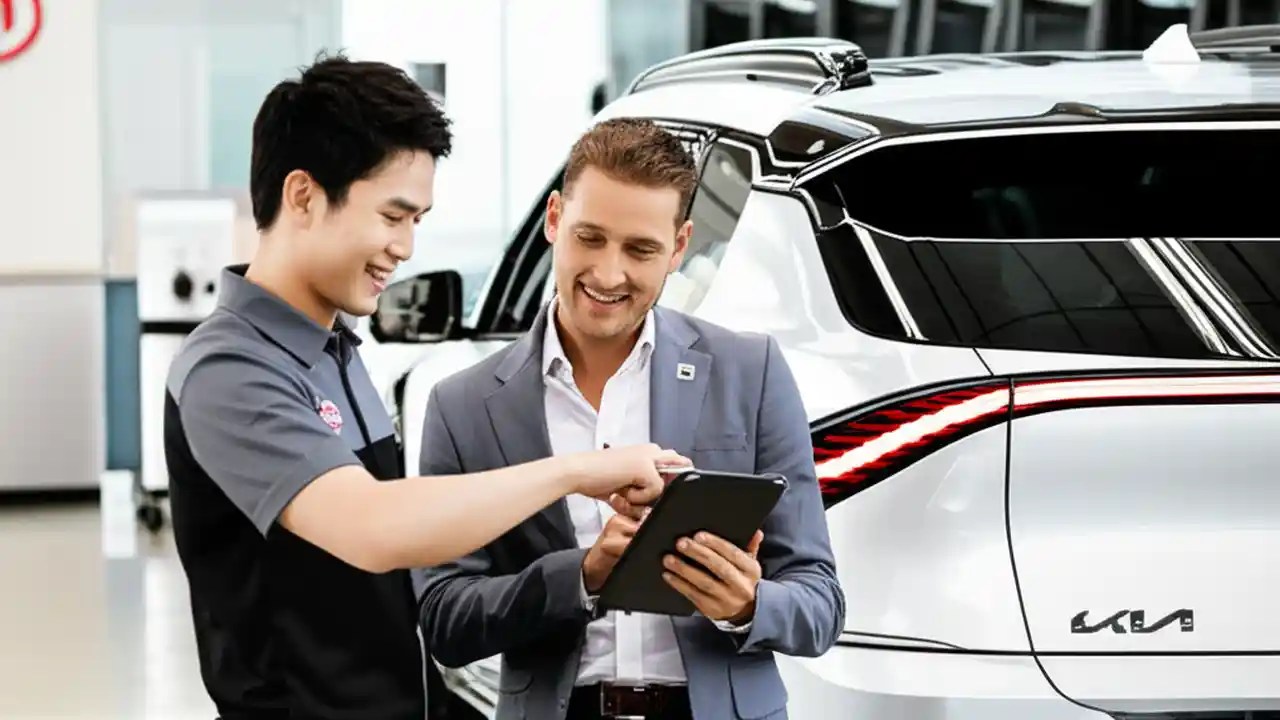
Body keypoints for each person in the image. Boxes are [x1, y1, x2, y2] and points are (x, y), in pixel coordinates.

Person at [163, 58, 687, 720]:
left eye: (417, 220)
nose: (406, 246)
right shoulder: (229, 370)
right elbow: (374, 528)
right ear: (303, 196)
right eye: (393, 216)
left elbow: (390, 590)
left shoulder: (336, 349)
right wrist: (581, 471)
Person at [414, 118, 845, 720]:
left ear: (679, 247)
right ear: (555, 219)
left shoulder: (751, 372)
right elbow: (443, 620)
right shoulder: (464, 405)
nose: (608, 274)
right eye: (590, 238)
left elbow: (820, 605)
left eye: (640, 249)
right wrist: (582, 576)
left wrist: (747, 605)